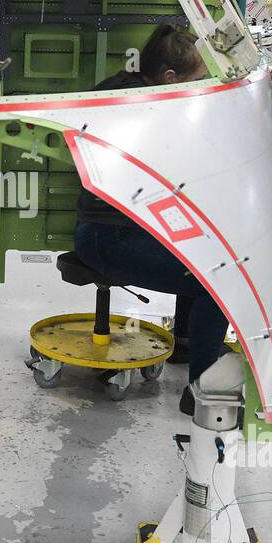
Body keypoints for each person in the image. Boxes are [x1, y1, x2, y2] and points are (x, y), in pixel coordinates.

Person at [73, 23, 230, 415]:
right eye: (196, 82)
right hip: (108, 238)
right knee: (217, 283)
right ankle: (202, 392)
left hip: (114, 231)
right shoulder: (142, 107)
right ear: (169, 77)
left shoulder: (129, 89)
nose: (198, 90)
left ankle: (188, 343)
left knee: (201, 251)